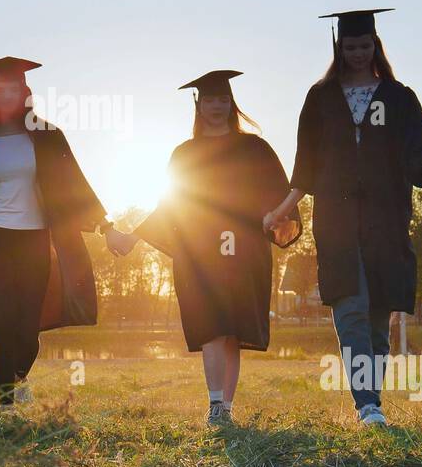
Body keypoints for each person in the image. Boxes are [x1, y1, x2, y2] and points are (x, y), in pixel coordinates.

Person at [265, 9, 422, 426]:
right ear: (339, 48)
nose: (359, 53)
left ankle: (372, 401)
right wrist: (282, 208)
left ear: (375, 45)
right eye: (350, 47)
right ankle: (366, 404)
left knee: (379, 312)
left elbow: (418, 151)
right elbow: (305, 163)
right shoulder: (321, 97)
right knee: (350, 305)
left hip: (386, 214)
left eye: (365, 45)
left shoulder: (399, 96)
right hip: (336, 214)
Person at [109, 70, 300, 425]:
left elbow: (278, 190)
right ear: (199, 105)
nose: (217, 106)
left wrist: (276, 216)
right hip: (200, 254)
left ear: (232, 104)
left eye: (223, 99)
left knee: (233, 330)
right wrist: (134, 236)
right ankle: (215, 406)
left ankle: (226, 408)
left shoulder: (254, 148)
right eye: (210, 100)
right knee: (210, 324)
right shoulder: (185, 153)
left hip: (245, 251)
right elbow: (170, 204)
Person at [0, 57, 126, 406]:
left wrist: (107, 227)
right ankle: (8, 404)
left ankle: (20, 377)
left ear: (25, 93)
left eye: (13, 90)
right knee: (5, 320)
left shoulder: (48, 137)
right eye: (0, 91)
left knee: (28, 325)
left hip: (35, 240)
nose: (6, 96)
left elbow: (75, 187)